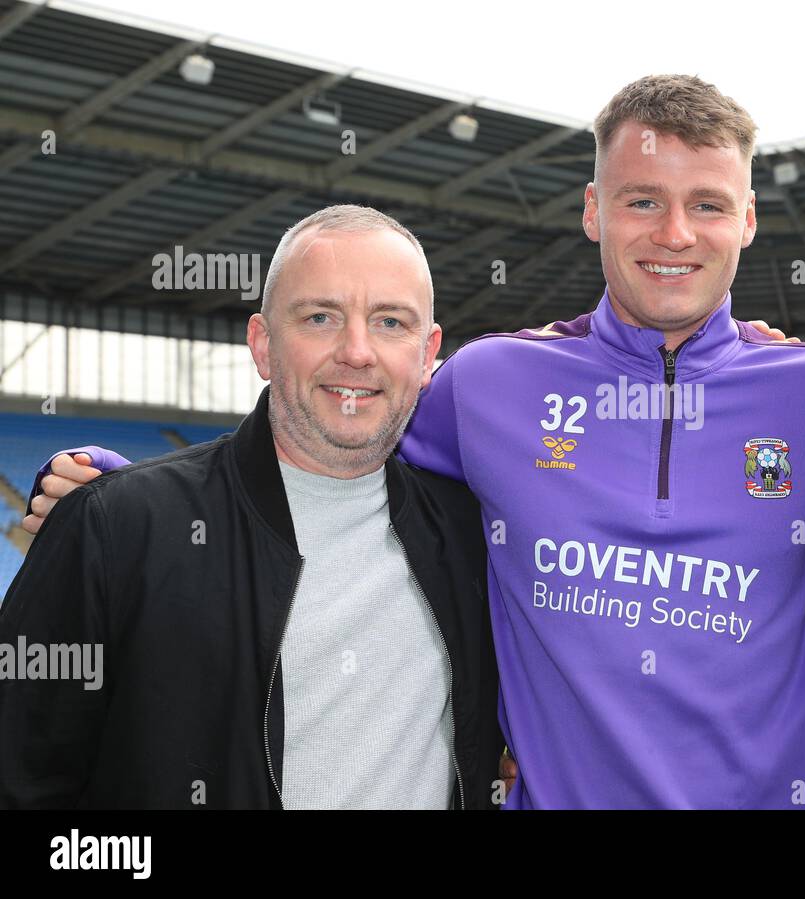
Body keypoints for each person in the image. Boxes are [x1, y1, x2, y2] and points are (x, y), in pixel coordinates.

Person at [17, 76, 805, 809]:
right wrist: (116, 494)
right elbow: (327, 452)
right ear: (593, 210)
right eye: (642, 199)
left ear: (745, 219)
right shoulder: (489, 384)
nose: (673, 231)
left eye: (706, 203)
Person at [0, 206, 500, 809]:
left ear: (427, 356)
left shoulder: (478, 536)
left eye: (391, 322)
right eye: (321, 317)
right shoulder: (115, 527)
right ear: (262, 345)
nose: (358, 352)